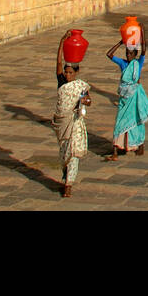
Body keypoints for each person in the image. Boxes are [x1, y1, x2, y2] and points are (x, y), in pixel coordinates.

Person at [106, 33, 148, 159]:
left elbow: (144, 50)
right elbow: (109, 55)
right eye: (126, 53)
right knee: (120, 122)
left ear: (134, 54)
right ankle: (117, 148)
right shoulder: (123, 64)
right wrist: (120, 43)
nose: (127, 55)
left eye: (130, 53)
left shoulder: (138, 63)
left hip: (134, 96)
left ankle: (139, 145)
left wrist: (142, 32)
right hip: (124, 97)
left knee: (136, 121)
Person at [52, 61, 91, 198]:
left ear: (76, 73)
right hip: (63, 124)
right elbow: (58, 63)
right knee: (64, 154)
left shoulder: (80, 86)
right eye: (66, 72)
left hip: (75, 123)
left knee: (73, 153)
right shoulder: (62, 84)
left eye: (71, 73)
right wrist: (62, 43)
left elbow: (88, 100)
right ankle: (66, 174)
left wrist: (86, 101)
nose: (68, 75)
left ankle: (68, 185)